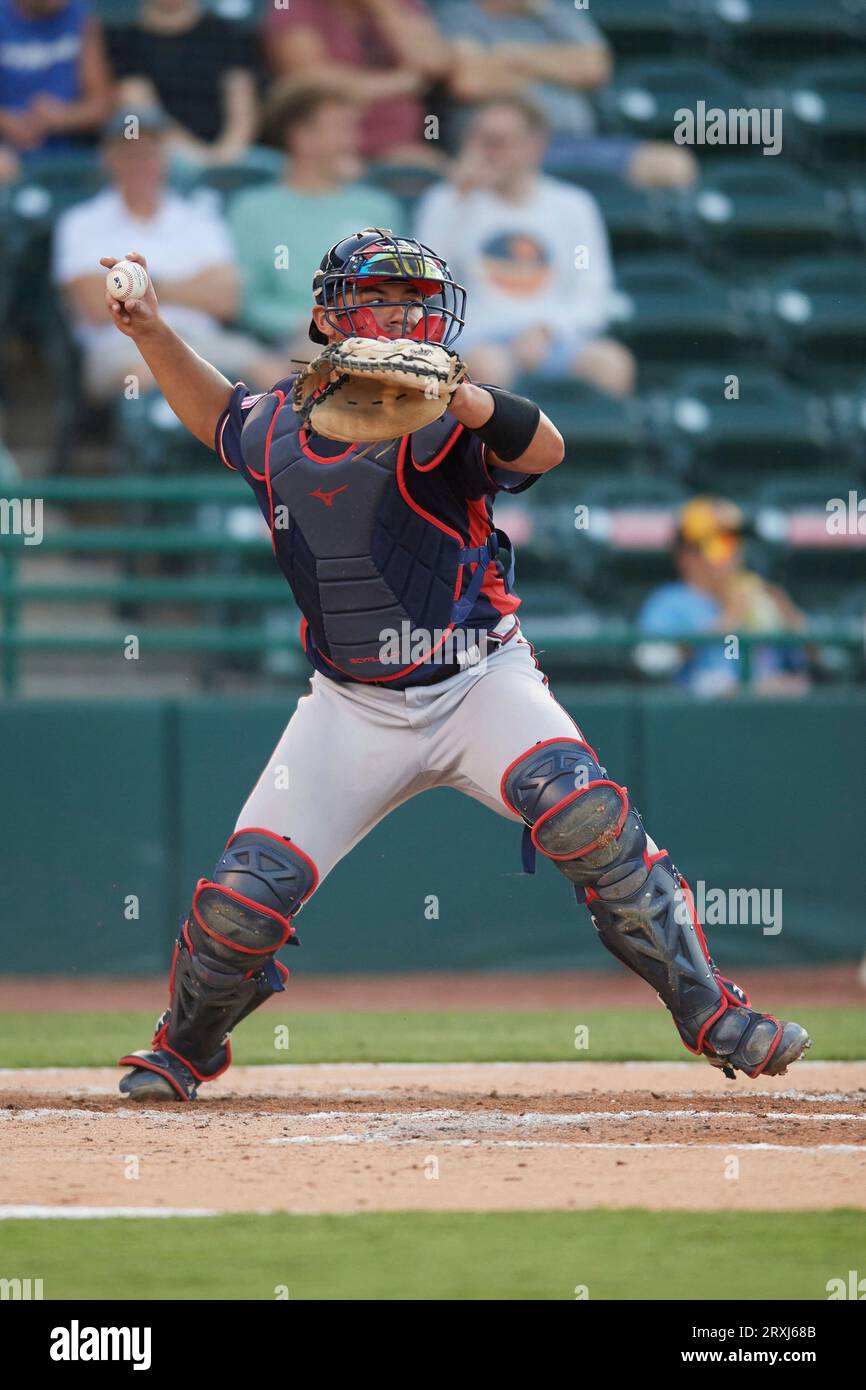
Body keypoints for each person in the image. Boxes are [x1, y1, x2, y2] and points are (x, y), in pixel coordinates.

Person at [100, 226, 810, 1101]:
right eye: (381, 299)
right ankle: (186, 1047)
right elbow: (217, 413)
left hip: (480, 680)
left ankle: (713, 1012)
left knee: (585, 817)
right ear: (329, 317)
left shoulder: (449, 419)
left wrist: (471, 402)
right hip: (350, 705)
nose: (404, 318)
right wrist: (150, 332)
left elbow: (543, 447)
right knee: (242, 901)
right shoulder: (278, 423)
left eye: (418, 303)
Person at [52, 109, 283, 400]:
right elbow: (95, 305)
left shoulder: (198, 217)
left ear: (164, 159)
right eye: (130, 153)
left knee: (274, 374)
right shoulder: (80, 222)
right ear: (109, 158)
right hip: (123, 345)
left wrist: (140, 289)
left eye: (150, 153)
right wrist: (191, 287)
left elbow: (227, 299)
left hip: (201, 340)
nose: (141, 164)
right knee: (144, 378)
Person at [415, 96, 635, 396]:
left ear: (534, 146)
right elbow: (428, 283)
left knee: (611, 365)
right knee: (490, 366)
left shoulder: (574, 206)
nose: (488, 152)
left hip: (553, 336)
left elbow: (591, 289)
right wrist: (460, 198)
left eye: (500, 142)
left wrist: (548, 330)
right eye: (481, 140)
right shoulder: (446, 201)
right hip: (478, 337)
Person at [439, 0, 697, 189]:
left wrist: (512, 57)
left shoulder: (556, 13)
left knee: (673, 166)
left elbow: (594, 68)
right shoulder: (459, 15)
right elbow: (470, 81)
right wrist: (560, 66)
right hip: (501, 150)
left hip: (575, 144)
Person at [227, 83, 401, 356]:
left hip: (377, 339)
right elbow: (247, 301)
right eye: (340, 129)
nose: (353, 141)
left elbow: (400, 288)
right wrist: (315, 324)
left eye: (352, 129)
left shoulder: (379, 207)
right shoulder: (253, 209)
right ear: (302, 137)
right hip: (290, 343)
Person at [638, 497, 810, 696]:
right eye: (721, 545)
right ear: (687, 556)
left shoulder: (763, 597)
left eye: (737, 544)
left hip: (771, 715)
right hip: (702, 719)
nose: (734, 555)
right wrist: (726, 621)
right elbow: (651, 662)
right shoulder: (669, 603)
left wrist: (792, 619)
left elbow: (829, 660)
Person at [262, 0, 448, 166]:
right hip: (325, 151)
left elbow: (434, 63)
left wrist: (384, 9)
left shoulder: (401, 5)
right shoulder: (290, 4)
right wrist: (405, 82)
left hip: (402, 148)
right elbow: (311, 82)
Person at [106, 0, 259, 167]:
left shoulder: (227, 33)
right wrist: (198, 158)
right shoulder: (125, 41)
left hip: (229, 155)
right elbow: (139, 106)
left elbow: (242, 107)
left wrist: (227, 155)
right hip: (164, 156)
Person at [0, 0, 111, 165]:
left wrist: (62, 118)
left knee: (133, 120)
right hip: (7, 151)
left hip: (69, 148)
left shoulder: (80, 15)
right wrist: (8, 123)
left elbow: (101, 105)